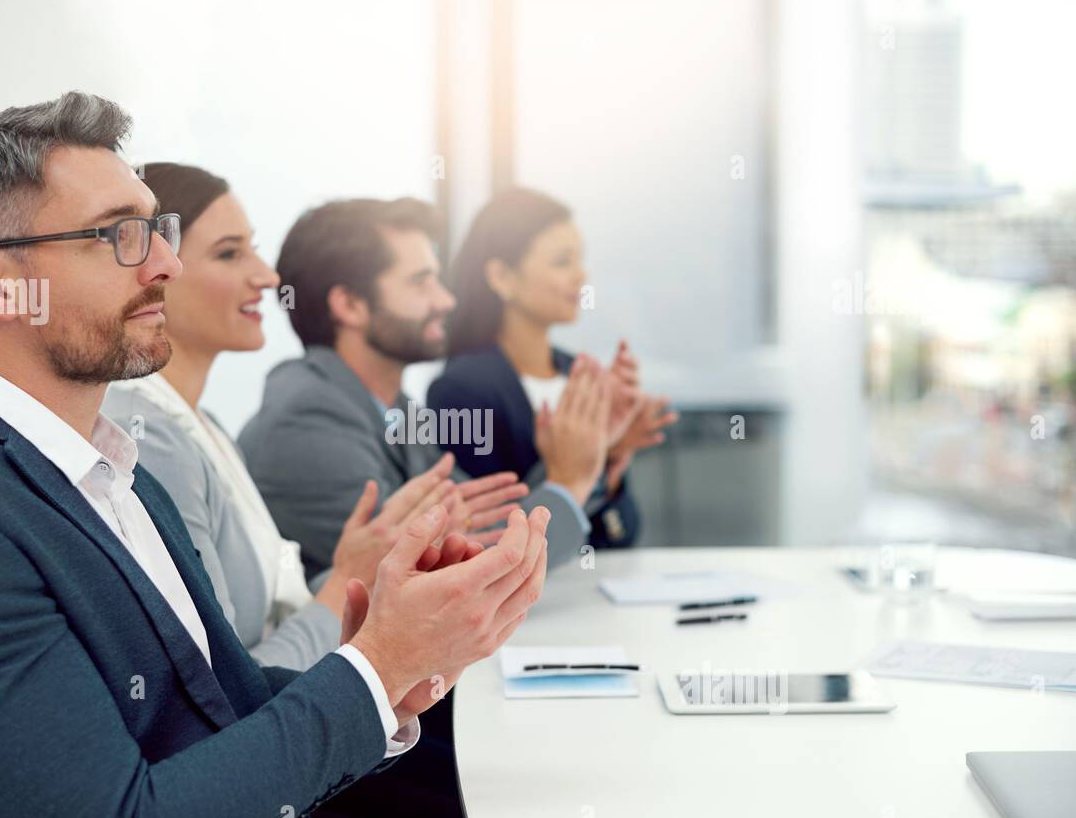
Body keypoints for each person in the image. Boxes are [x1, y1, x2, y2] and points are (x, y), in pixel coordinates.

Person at [0, 92, 549, 818]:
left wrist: (399, 663)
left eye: (157, 230)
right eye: (120, 236)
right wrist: (380, 662)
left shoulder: (120, 476)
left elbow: (218, 709)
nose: (165, 263)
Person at [103, 164, 526, 672]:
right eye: (230, 253)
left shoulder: (206, 426)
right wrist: (351, 577)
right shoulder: (158, 439)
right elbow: (221, 688)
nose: (267, 276)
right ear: (156, 269)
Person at [239, 197, 609, 580]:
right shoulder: (308, 424)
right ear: (349, 304)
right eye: (420, 282)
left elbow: (488, 525)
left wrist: (579, 461)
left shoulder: (396, 409)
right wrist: (568, 482)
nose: (445, 300)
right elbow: (444, 577)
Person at [429, 187, 678, 548]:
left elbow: (618, 536)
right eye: (563, 262)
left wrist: (609, 458)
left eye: (580, 261)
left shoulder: (579, 374)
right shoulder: (461, 390)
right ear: (502, 277)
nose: (582, 277)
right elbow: (484, 539)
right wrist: (575, 470)